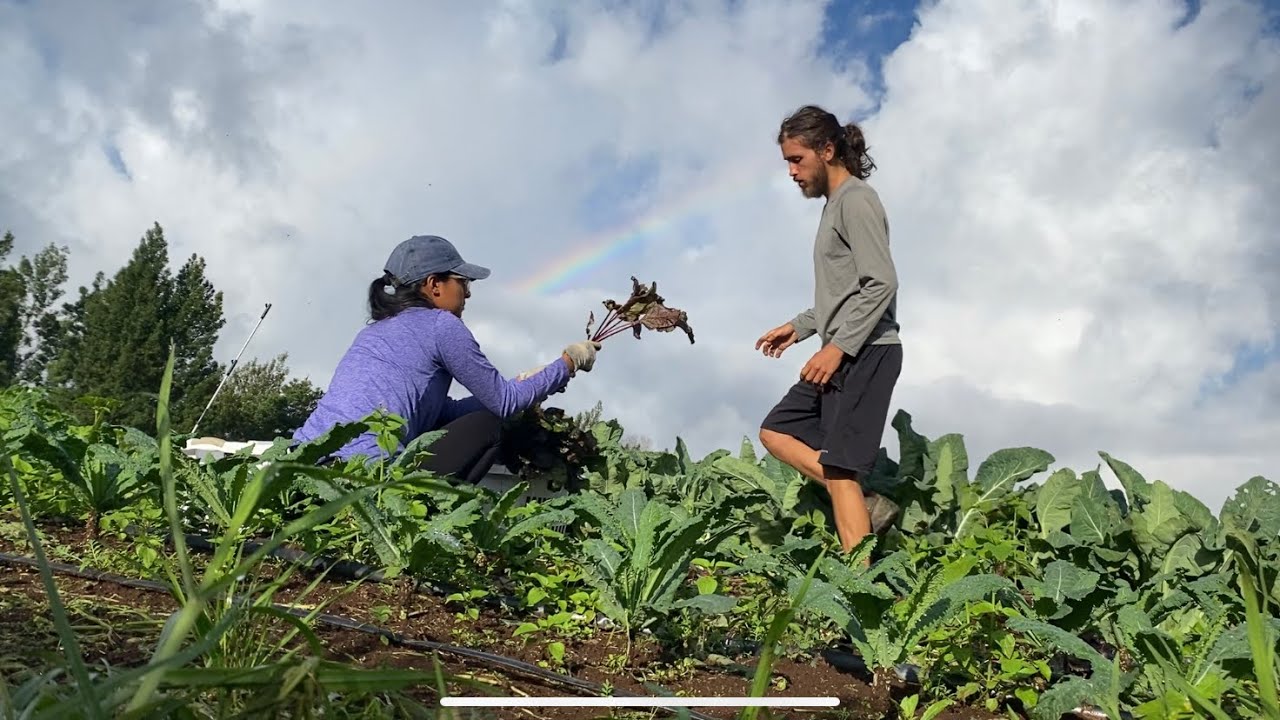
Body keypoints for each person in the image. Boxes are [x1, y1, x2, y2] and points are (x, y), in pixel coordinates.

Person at [293, 234, 601, 483]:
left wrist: (526, 381)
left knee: (469, 418)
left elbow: (443, 412)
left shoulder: (373, 333)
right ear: (434, 285)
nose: (467, 294)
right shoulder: (442, 326)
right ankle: (430, 519)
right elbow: (503, 403)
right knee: (489, 425)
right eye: (463, 282)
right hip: (364, 474)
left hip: (303, 463)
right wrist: (568, 363)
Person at [755, 105, 903, 555]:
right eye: (786, 161)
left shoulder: (856, 201)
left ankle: (861, 593)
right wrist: (799, 328)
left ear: (827, 149)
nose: (791, 171)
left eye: (796, 159)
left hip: (868, 351)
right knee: (777, 431)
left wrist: (836, 348)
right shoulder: (834, 207)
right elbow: (844, 292)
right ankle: (867, 502)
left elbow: (881, 283)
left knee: (840, 471)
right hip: (843, 351)